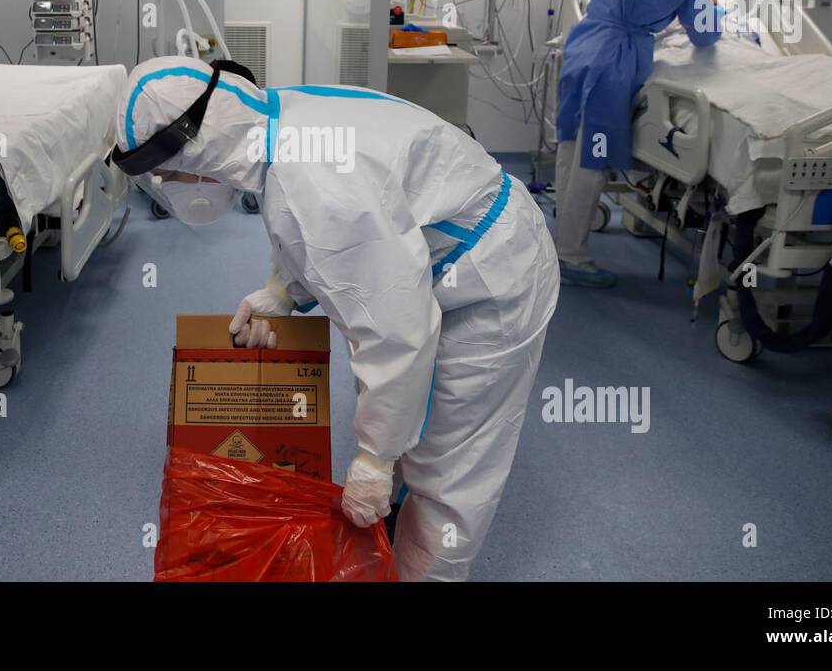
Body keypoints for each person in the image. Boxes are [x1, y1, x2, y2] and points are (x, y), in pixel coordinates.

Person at [111, 56, 559, 581]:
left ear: (196, 147)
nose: (169, 185)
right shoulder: (281, 122)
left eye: (165, 172)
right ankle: (394, 521)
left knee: (452, 468)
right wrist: (282, 290)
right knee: (408, 427)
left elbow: (397, 335)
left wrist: (374, 458)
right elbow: (331, 232)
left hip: (496, 278)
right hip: (449, 246)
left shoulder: (320, 189)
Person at [554, 0, 725, 287]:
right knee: (593, 160)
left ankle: (557, 243)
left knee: (570, 148)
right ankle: (571, 257)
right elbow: (703, 33)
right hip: (612, 64)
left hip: (581, 50)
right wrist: (716, 12)